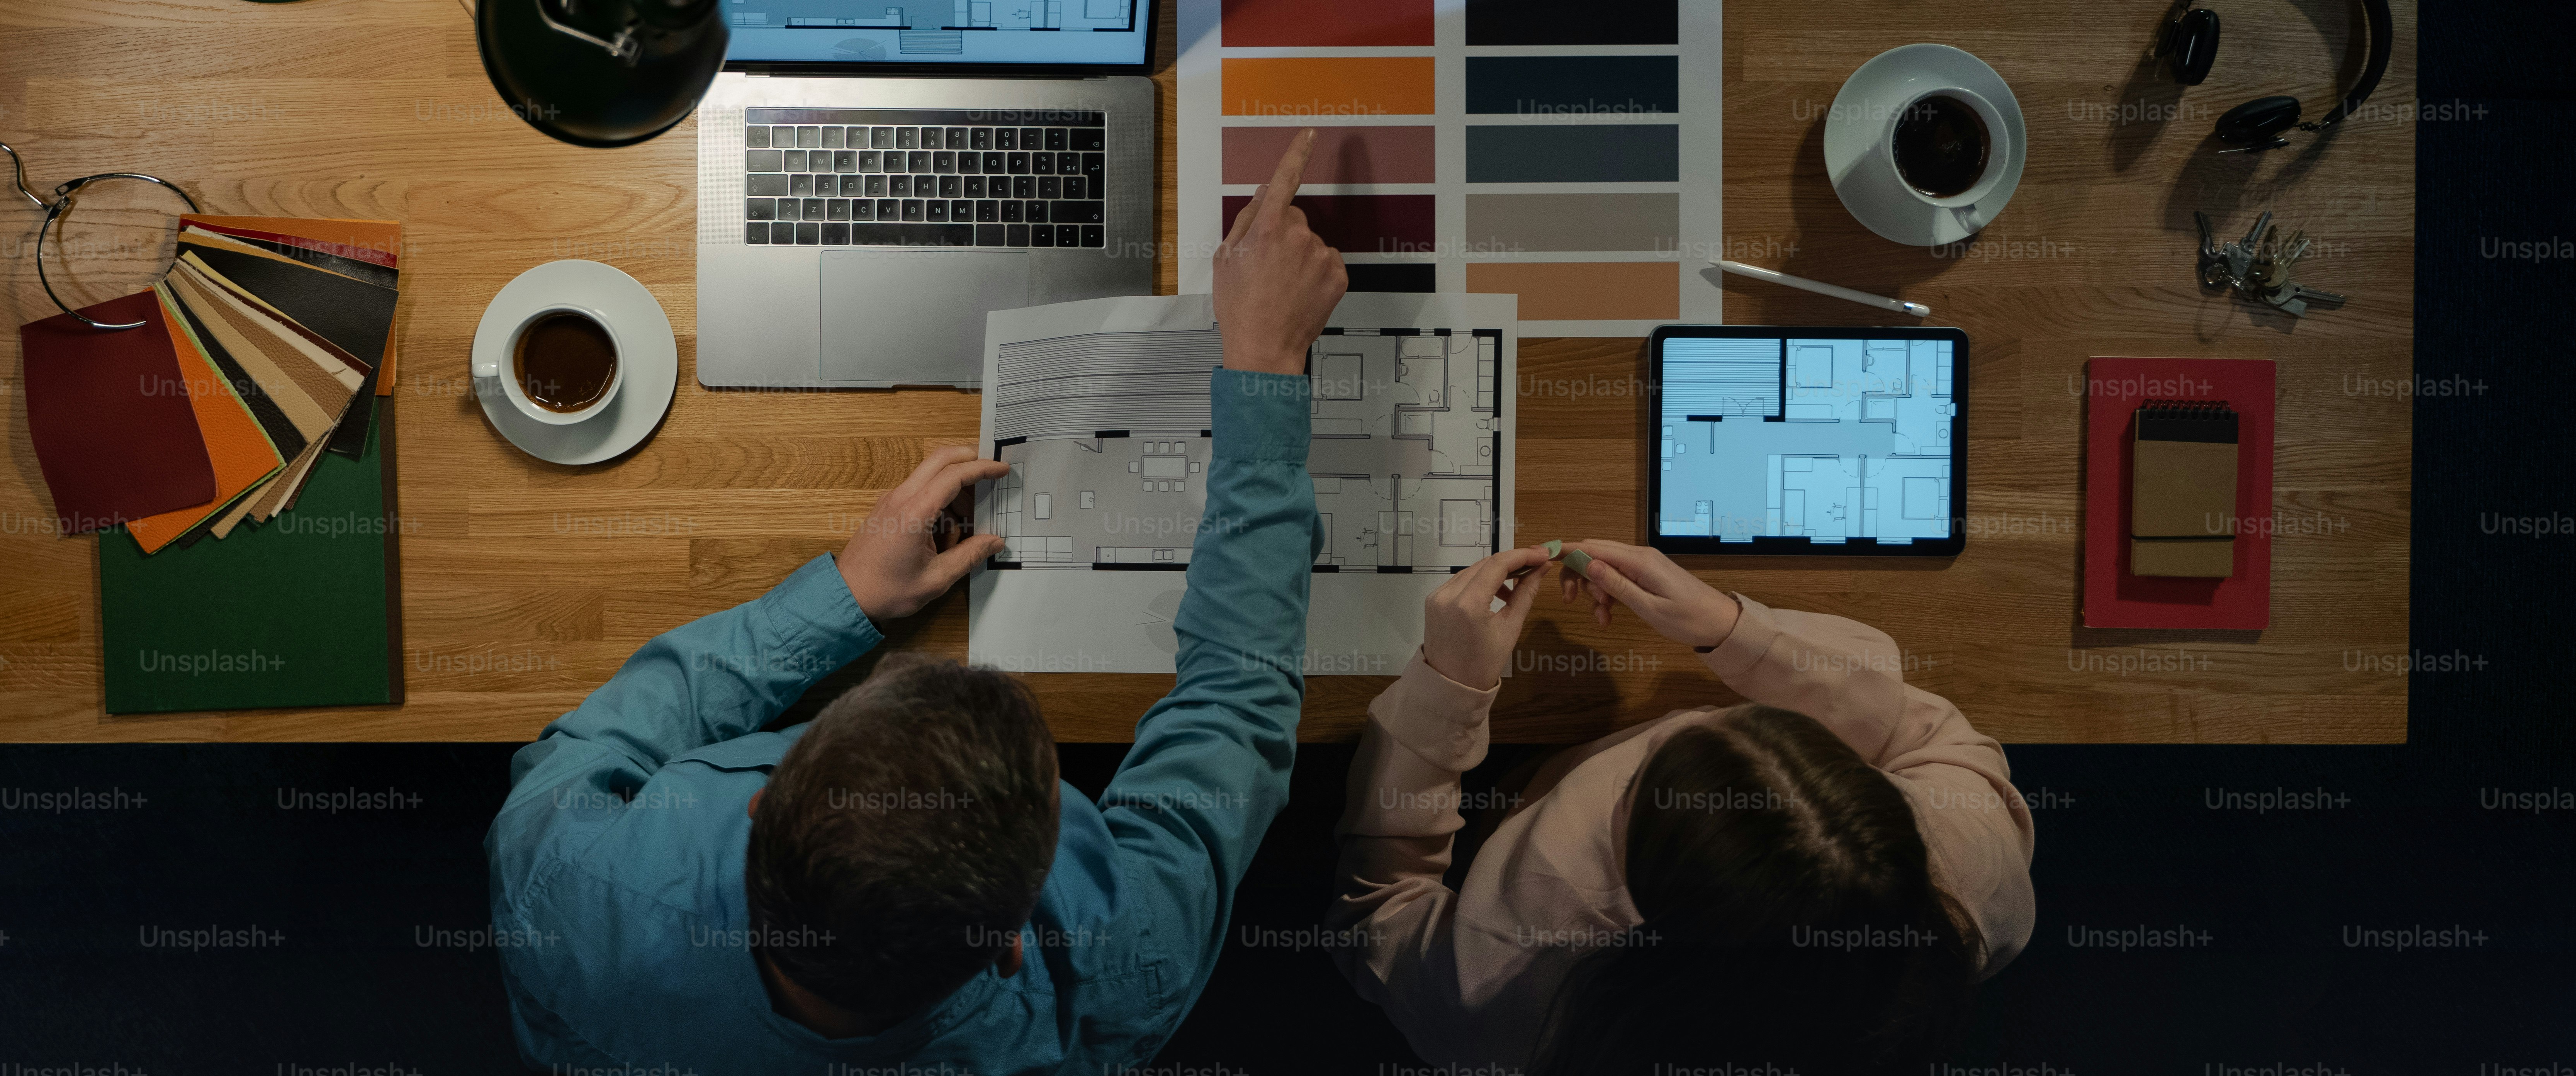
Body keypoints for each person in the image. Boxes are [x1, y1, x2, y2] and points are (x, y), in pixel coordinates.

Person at [486, 129, 1348, 1074]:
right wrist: (1265, 366)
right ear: (1012, 941)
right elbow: (1235, 704)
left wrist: (842, 599)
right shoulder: (1119, 967)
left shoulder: (570, 893)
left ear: (762, 809)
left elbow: (586, 749)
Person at [1328, 539, 2036, 1074]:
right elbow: (1940, 739)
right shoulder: (1975, 881)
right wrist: (1732, 628)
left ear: (1636, 854)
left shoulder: (1502, 998)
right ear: (1884, 815)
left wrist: (1446, 686)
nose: (1699, 714)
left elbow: (1378, 914)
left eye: (1646, 775)